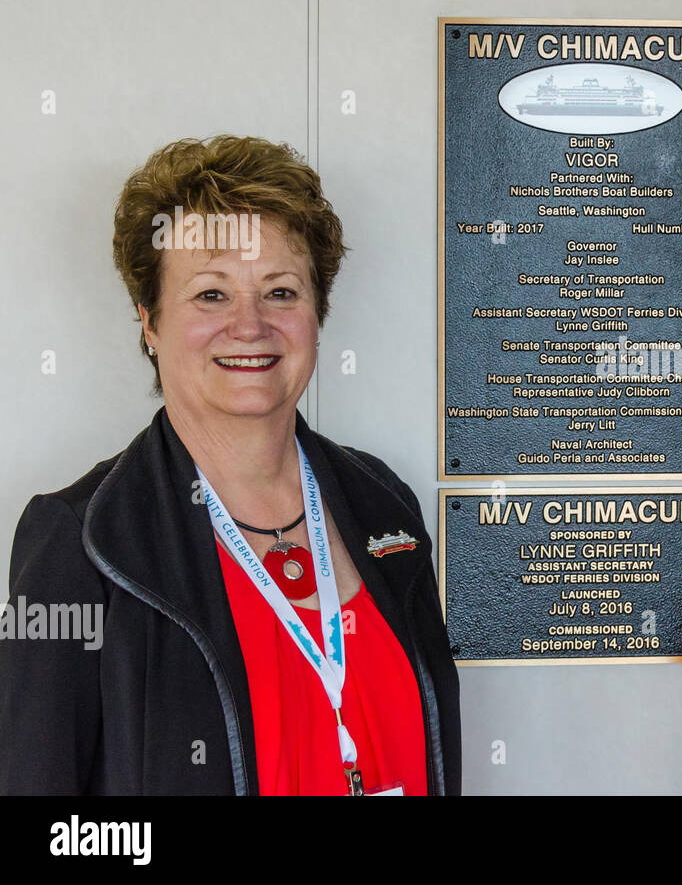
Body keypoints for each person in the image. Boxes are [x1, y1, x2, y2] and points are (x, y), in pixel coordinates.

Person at [0, 135, 460, 795]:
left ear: (316, 314)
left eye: (280, 291)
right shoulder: (83, 540)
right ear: (150, 321)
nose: (250, 326)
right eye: (211, 295)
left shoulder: (384, 505)